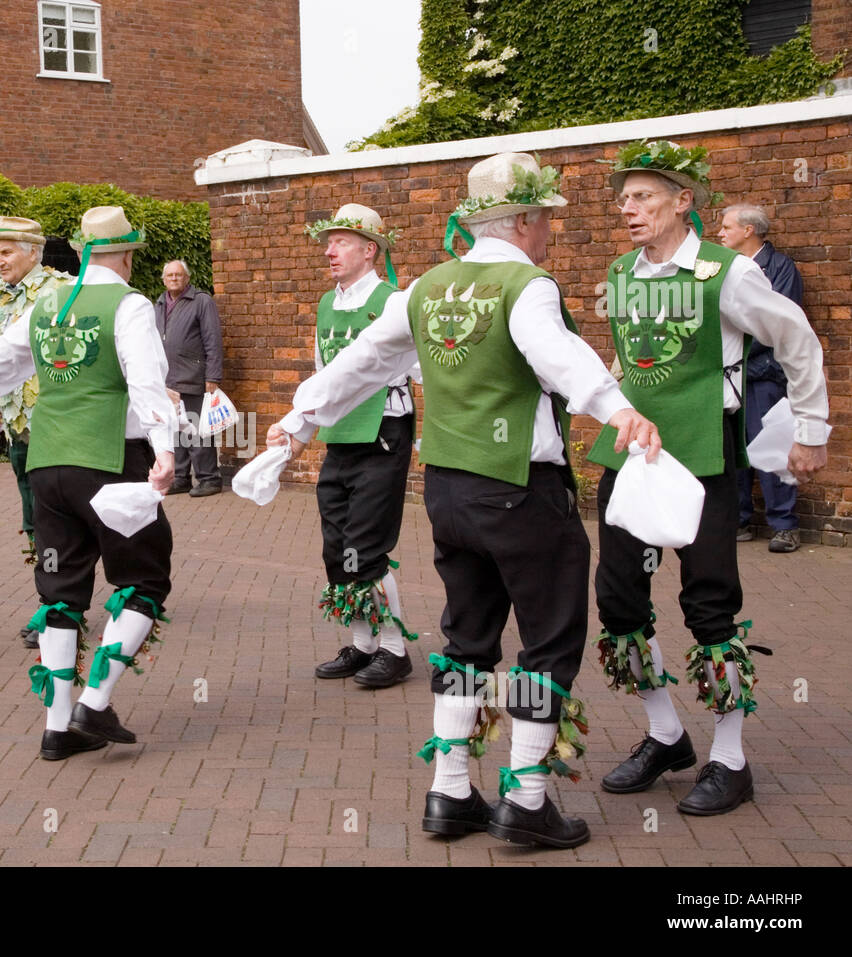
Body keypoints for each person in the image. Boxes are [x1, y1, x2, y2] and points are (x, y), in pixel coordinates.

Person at [269, 155, 659, 848]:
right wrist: (617, 406)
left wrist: (299, 418)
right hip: (519, 490)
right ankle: (527, 800)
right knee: (548, 639)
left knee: (469, 638)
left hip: (447, 492)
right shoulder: (525, 283)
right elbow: (556, 353)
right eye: (547, 220)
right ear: (527, 219)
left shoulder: (424, 289)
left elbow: (360, 361)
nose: (550, 234)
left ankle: (450, 792)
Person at [593, 140, 829, 816]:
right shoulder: (622, 271)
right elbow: (627, 360)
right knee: (619, 603)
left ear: (683, 201)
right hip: (632, 454)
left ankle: (731, 754)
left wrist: (810, 428)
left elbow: (796, 339)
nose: (628, 208)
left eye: (642, 196)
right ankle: (666, 732)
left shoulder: (725, 271)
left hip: (703, 451)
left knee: (710, 602)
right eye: (624, 198)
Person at [0, 206, 176, 761]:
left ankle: (59, 726)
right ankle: (96, 699)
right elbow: (145, 381)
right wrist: (165, 451)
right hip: (110, 459)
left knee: (60, 591)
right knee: (142, 579)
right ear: (128, 254)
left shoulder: (45, 304)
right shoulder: (129, 304)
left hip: (47, 463)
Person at [290, 203, 419, 691]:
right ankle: (363, 641)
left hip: (383, 430)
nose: (329, 250)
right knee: (336, 546)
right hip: (340, 433)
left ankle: (394, 648)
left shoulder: (393, 301)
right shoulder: (327, 303)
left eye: (340, 241)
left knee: (366, 545)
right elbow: (324, 372)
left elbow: (421, 366)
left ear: (370, 250)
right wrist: (301, 429)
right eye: (329, 242)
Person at [0, 216, 73, 648]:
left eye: (7, 251)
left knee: (58, 511)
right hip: (16, 424)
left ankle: (59, 603)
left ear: (34, 251)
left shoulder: (60, 290)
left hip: (54, 421)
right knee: (32, 512)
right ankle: (51, 594)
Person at [717, 204, 807, 553]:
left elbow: (774, 328)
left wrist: (733, 346)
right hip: (733, 375)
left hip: (765, 375)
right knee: (735, 449)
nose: (721, 234)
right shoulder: (724, 269)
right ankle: (738, 520)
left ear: (748, 230)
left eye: (727, 227)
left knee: (771, 447)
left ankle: (785, 526)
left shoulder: (780, 268)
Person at [155, 259, 223, 497]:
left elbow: (213, 340)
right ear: (163, 279)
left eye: (178, 275)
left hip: (194, 377)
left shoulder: (201, 301)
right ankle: (181, 478)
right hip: (169, 381)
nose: (174, 278)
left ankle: (209, 478)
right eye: (169, 275)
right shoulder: (159, 303)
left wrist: (213, 376)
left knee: (197, 430)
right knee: (175, 431)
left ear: (187, 278)